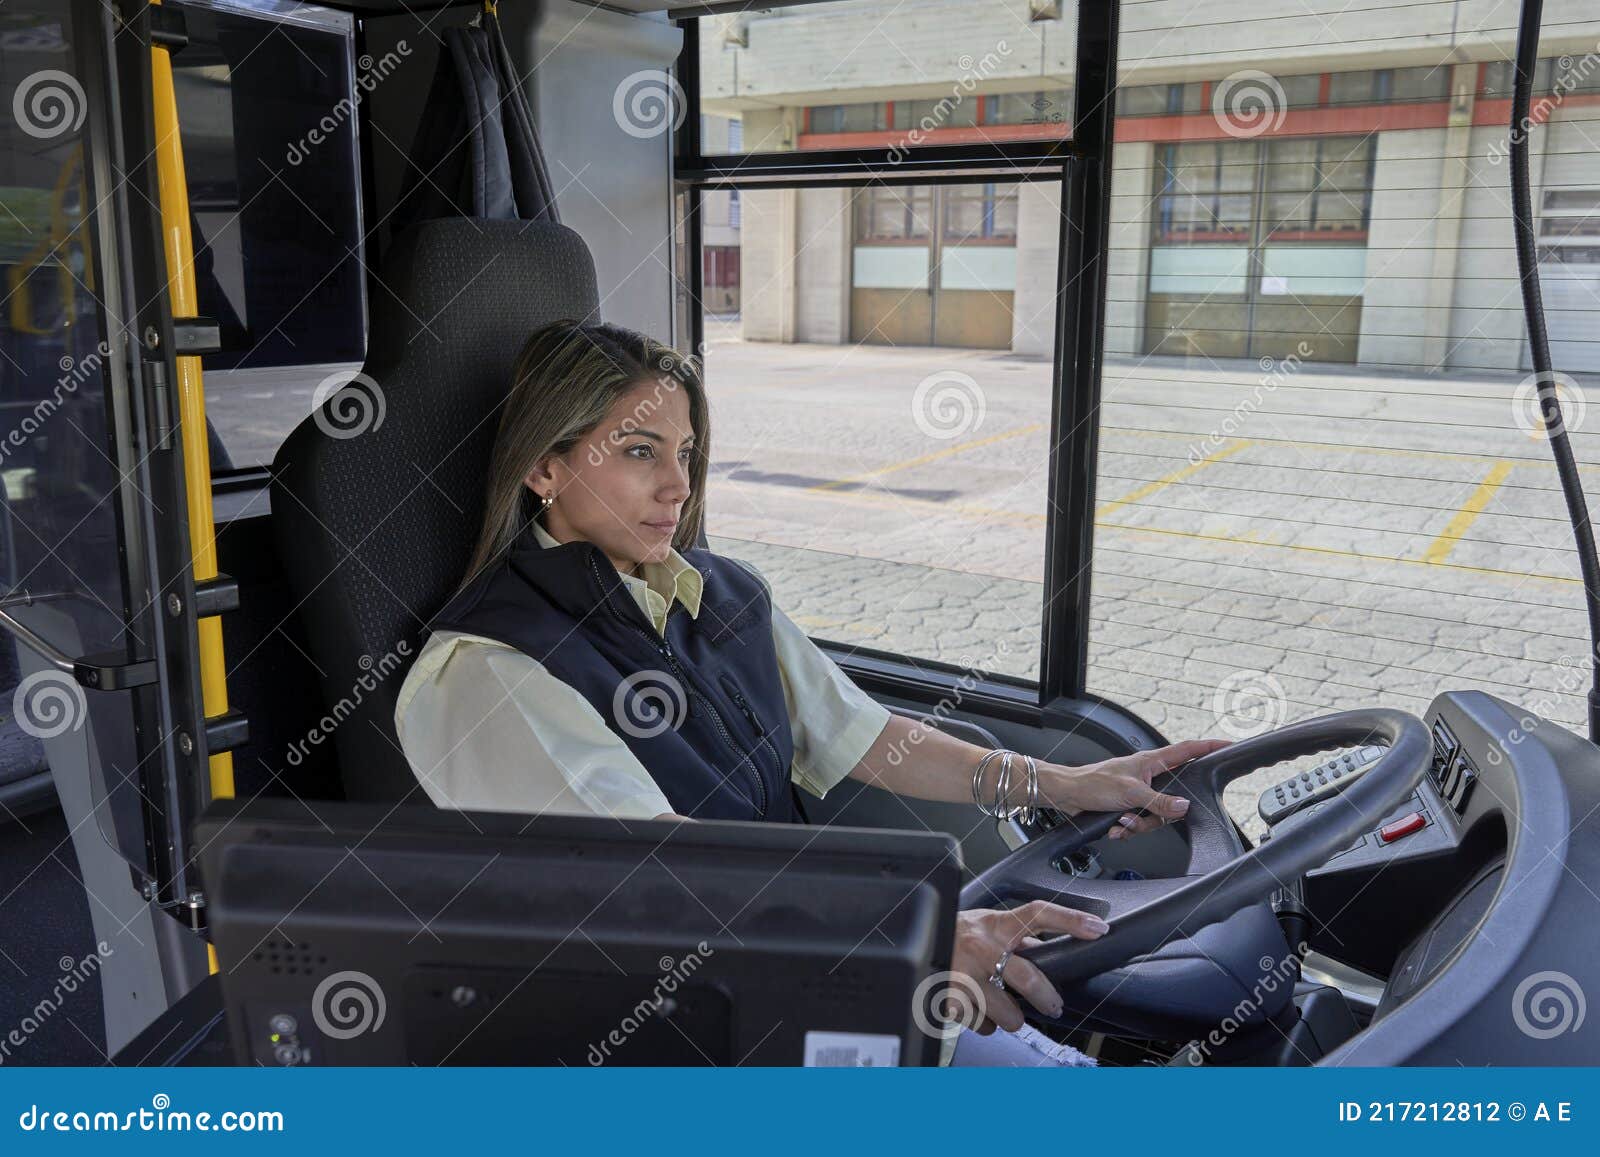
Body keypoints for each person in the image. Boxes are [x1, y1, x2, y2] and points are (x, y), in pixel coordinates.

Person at [395, 320, 1227, 1066]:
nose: (678, 486)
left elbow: (862, 732)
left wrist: (1059, 780)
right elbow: (656, 873)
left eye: (684, 453)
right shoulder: (487, 669)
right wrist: (912, 940)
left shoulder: (717, 591)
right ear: (545, 465)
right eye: (639, 450)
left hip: (798, 966)